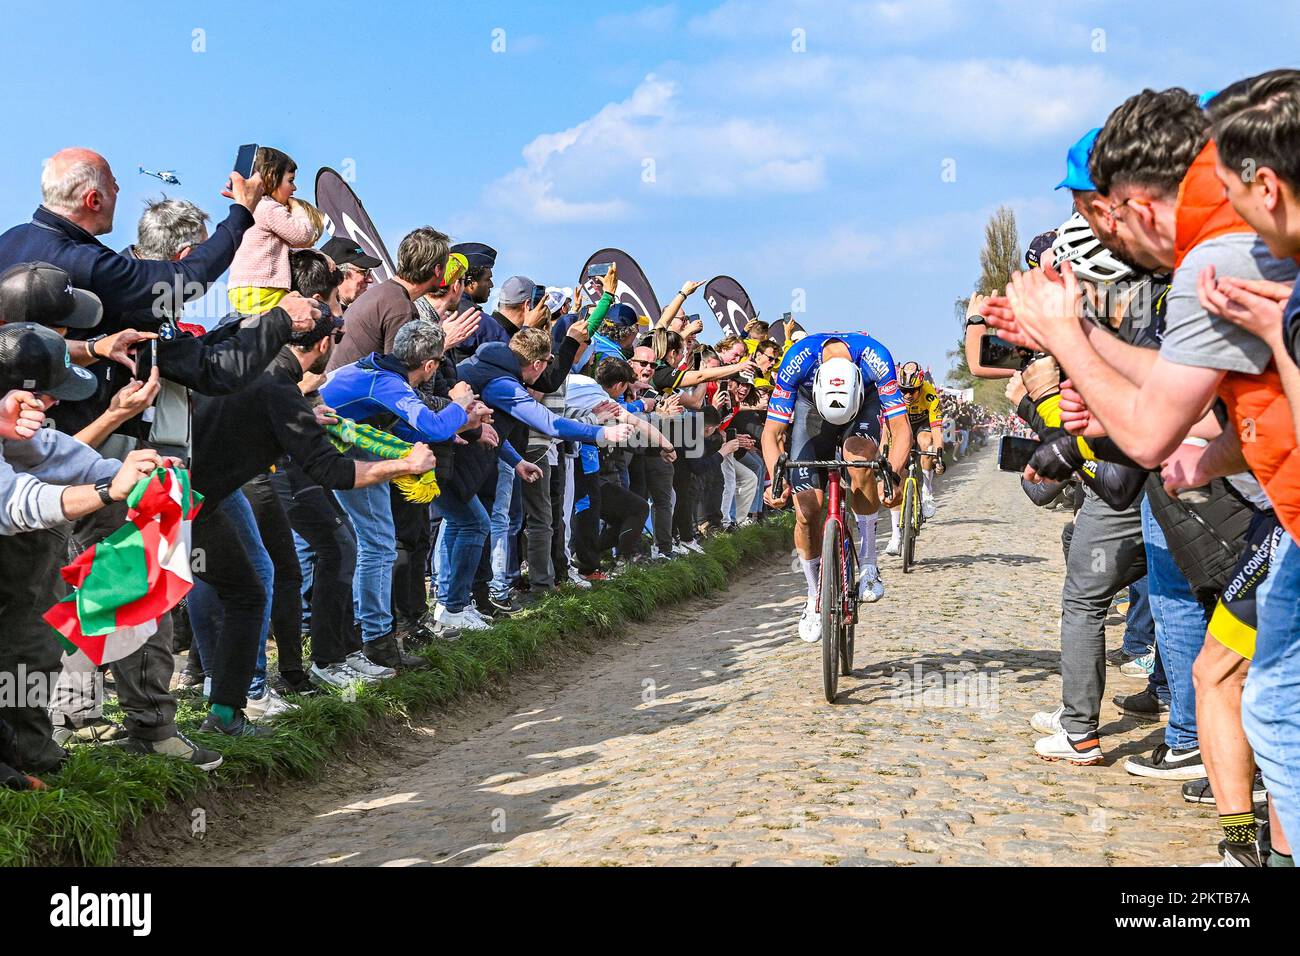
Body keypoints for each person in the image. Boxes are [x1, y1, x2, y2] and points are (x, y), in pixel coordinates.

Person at [0, 322, 175, 772]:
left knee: (32, 652)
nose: (57, 402)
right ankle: (28, 778)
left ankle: (30, 766)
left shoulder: (21, 426)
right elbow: (15, 504)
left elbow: (54, 454)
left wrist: (125, 471)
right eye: (48, 392)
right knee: (21, 655)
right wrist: (106, 492)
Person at [761, 332, 910, 641]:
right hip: (810, 410)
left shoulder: (876, 360)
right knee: (807, 509)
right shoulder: (796, 362)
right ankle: (814, 595)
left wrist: (891, 476)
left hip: (863, 407)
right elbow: (772, 433)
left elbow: (901, 428)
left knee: (859, 459)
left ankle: (869, 563)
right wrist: (777, 481)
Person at [327, 226, 452, 371]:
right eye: (445, 267)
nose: (369, 279)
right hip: (356, 391)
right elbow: (397, 377)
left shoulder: (385, 295)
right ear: (437, 270)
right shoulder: (400, 308)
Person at [227, 147, 318, 315]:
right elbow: (304, 235)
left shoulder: (249, 207)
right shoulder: (269, 208)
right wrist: (296, 207)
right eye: (290, 181)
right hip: (265, 287)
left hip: (241, 288)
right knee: (305, 313)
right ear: (271, 178)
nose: (294, 188)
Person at [320, 235, 381, 308]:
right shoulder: (314, 316)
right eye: (365, 272)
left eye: (369, 272)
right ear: (337, 275)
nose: (370, 279)